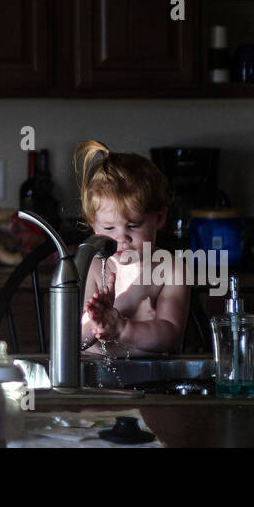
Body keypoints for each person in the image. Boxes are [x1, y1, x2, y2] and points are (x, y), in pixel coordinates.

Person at [76, 140, 188, 355]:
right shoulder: (92, 269)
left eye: (133, 226)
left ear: (159, 217)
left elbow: (170, 335)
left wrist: (122, 328)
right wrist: (96, 319)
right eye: (108, 227)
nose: (121, 238)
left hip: (151, 380)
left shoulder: (171, 270)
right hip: (92, 381)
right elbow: (74, 339)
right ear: (93, 223)